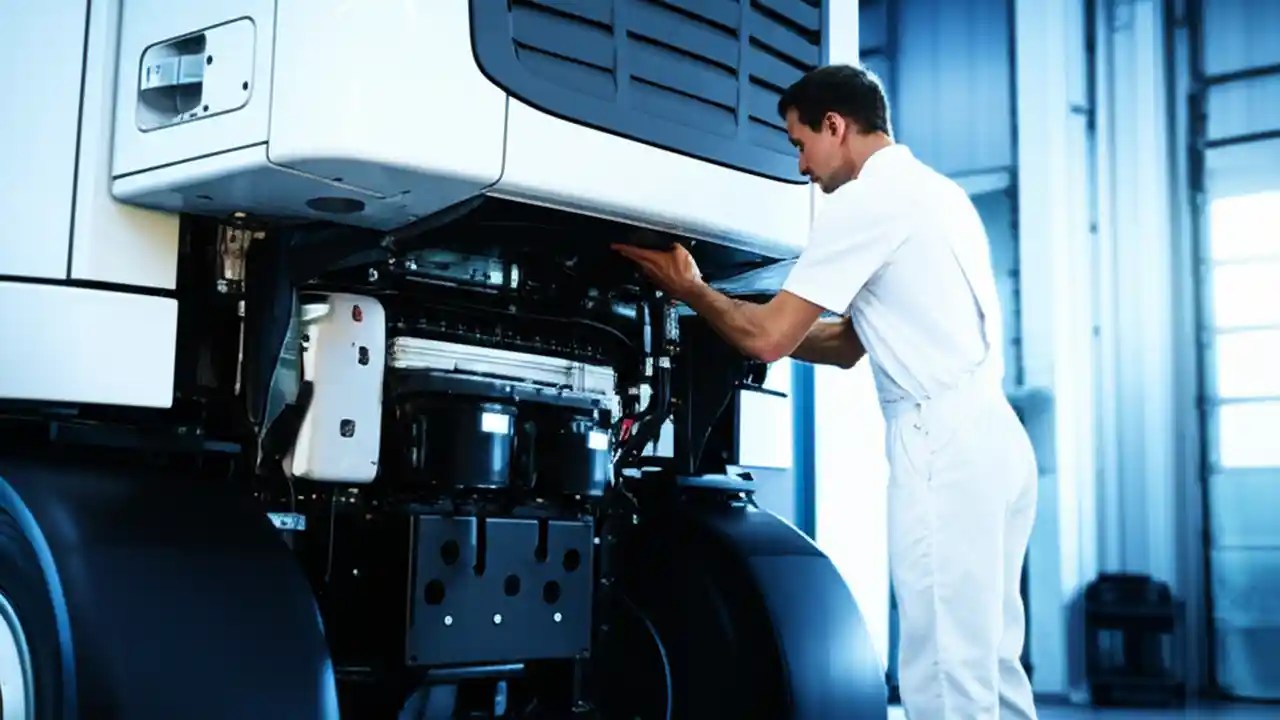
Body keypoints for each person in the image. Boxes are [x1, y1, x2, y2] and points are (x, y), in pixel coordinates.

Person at [612, 64, 1039, 720]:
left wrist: (695, 291)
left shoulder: (864, 203)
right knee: (990, 661)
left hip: (942, 446)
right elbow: (844, 344)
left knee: (946, 675)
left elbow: (767, 341)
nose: (803, 166)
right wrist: (734, 314)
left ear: (835, 126)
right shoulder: (938, 195)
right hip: (997, 439)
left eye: (799, 143)